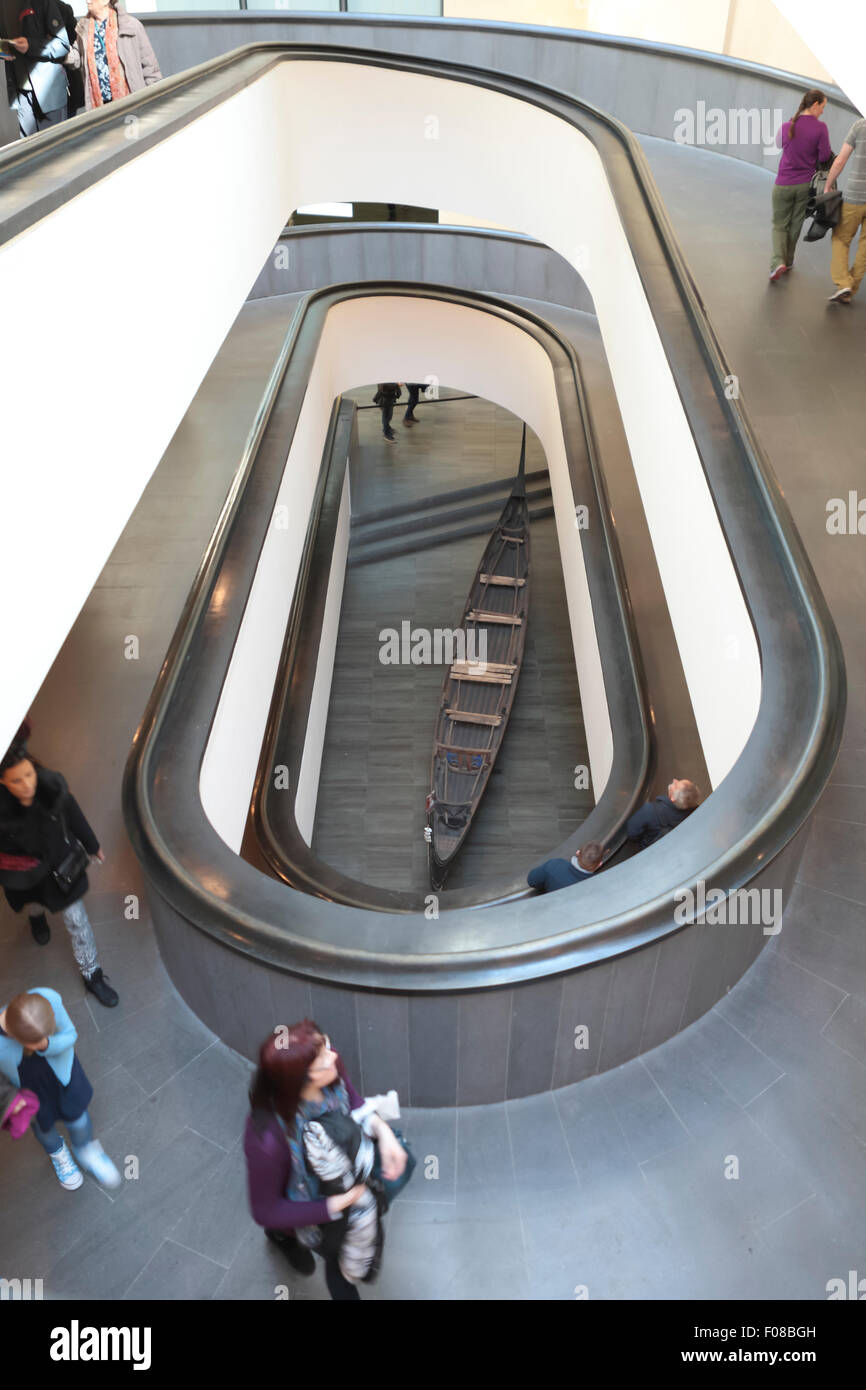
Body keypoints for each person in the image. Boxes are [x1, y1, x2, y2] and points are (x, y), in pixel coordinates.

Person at [244, 1020, 408, 1301]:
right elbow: (266, 1209)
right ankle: (284, 1237)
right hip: (311, 1204)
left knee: (338, 1252)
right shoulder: (268, 1138)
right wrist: (335, 1205)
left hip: (341, 1177)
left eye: (326, 1045)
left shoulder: (331, 1069)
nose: (332, 1056)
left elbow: (355, 1105)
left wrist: (383, 1132)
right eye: (321, 1059)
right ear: (297, 1081)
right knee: (336, 1257)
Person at [0, 743, 119, 1007]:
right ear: (3, 782)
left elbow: (73, 813)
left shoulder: (50, 788)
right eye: (16, 781)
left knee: (78, 921)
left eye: (29, 775)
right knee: (31, 904)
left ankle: (92, 974)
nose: (27, 784)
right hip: (26, 878)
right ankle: (37, 919)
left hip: (62, 871)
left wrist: (93, 845)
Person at [0, 987, 121, 1189]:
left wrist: (47, 1045)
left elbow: (70, 1035)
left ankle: (86, 1150)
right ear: (17, 1039)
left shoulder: (48, 999)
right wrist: (11, 1098)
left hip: (64, 1078)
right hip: (30, 1092)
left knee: (79, 1120)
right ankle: (59, 1155)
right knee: (44, 1129)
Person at [770, 88, 831, 282]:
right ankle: (787, 261)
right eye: (822, 107)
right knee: (796, 223)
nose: (822, 111)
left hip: (783, 183)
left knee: (779, 224)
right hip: (804, 184)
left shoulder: (788, 125)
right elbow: (823, 156)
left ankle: (777, 261)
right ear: (814, 105)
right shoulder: (821, 128)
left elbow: (778, 144)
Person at [64, 0, 161, 112]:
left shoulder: (131, 25)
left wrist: (153, 100)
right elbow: (77, 58)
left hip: (131, 100)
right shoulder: (83, 29)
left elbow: (150, 67)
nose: (87, 0)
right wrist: (61, 52)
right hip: (99, 104)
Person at [2, 0, 71, 138]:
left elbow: (63, 45)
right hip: (21, 94)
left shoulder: (43, 2)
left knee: (55, 150)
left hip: (49, 93)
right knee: (30, 152)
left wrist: (31, 45)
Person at [823, 116, 866, 305]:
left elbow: (840, 160)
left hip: (855, 196)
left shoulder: (860, 124)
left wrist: (828, 185)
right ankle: (851, 287)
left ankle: (844, 283)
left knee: (840, 237)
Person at [626, 777, 701, 849]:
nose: (674, 780)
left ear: (673, 799)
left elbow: (632, 833)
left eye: (676, 785)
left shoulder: (650, 810)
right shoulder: (697, 812)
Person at [527, 839, 604, 894]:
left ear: (578, 853)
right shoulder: (596, 887)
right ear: (599, 864)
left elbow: (531, 880)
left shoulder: (554, 865)